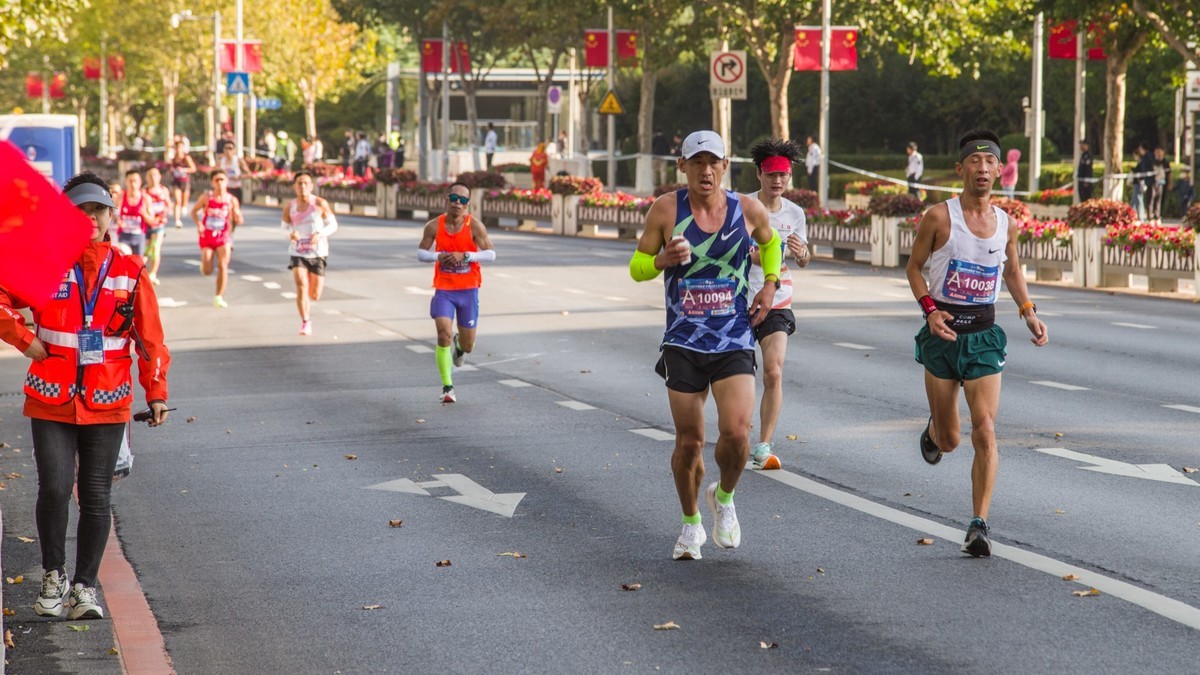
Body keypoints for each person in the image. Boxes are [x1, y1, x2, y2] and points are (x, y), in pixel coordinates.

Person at [0, 171, 171, 621]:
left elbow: (151, 341)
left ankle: (83, 587)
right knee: (55, 489)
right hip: (51, 397)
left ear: (112, 216)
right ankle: (53, 576)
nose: (91, 219)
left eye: (98, 210)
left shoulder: (130, 270)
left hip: (108, 399)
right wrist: (23, 338)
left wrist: (156, 393)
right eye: (81, 211)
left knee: (95, 497)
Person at [629, 130, 780, 561]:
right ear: (683, 167)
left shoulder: (746, 209)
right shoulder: (666, 209)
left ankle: (725, 497)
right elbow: (637, 267)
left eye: (714, 162)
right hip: (683, 339)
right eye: (697, 162)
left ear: (724, 166)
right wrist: (661, 260)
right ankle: (691, 524)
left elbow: (773, 246)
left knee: (736, 435)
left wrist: (768, 286)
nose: (706, 170)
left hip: (732, 335)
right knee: (690, 441)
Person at [905, 130, 1048, 558]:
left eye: (991, 162)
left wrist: (1028, 310)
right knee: (950, 440)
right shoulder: (938, 217)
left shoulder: (1006, 222)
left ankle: (979, 524)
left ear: (999, 170)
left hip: (984, 335)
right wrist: (930, 310)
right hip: (943, 333)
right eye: (975, 161)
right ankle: (933, 432)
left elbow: (1012, 272)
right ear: (961, 168)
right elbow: (914, 268)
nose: (983, 169)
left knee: (985, 428)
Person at [745, 138, 811, 471]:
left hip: (778, 300)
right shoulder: (742, 208)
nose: (778, 181)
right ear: (759, 173)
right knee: (738, 374)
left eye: (783, 175)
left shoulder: (795, 214)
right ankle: (736, 431)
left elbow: (803, 259)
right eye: (771, 174)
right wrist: (760, 255)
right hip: (739, 300)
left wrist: (801, 254)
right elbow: (739, 254)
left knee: (773, 371)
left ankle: (764, 444)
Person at [417, 181, 497, 403]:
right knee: (442, 334)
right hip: (444, 288)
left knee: (468, 345)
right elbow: (421, 253)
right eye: (454, 199)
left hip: (468, 291)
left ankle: (460, 345)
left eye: (463, 201)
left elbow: (491, 254)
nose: (458, 204)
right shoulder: (434, 226)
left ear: (468, 205)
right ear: (447, 198)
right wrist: (437, 256)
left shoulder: (475, 226)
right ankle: (447, 387)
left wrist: (467, 255)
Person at [281, 172, 338, 335]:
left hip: (318, 252)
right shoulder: (289, 207)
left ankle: (308, 310)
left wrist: (319, 234)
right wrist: (290, 234)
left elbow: (333, 225)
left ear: (312, 186)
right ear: (294, 186)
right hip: (298, 251)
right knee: (301, 285)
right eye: (299, 183)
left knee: (315, 294)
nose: (302, 186)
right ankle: (305, 321)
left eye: (306, 183)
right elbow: (284, 228)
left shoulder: (320, 204)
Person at [191, 170, 244, 308]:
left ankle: (219, 296)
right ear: (212, 182)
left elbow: (239, 218)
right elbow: (193, 211)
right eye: (217, 180)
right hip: (207, 236)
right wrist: (199, 224)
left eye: (222, 179)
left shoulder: (231, 200)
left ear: (227, 182)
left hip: (223, 236)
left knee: (223, 266)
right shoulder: (206, 197)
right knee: (208, 271)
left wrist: (238, 216)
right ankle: (205, 266)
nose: (220, 183)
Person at [143, 166, 172, 285]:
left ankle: (153, 273)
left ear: (160, 177)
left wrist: (164, 214)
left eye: (155, 175)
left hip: (159, 224)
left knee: (155, 248)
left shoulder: (163, 190)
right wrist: (148, 217)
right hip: (146, 224)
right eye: (150, 175)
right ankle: (140, 271)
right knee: (145, 250)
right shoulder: (144, 191)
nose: (153, 178)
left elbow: (169, 205)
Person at [116, 170, 154, 257]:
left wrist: (145, 214)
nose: (133, 184)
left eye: (135, 181)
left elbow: (152, 220)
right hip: (124, 235)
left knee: (137, 265)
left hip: (139, 235)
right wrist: (117, 220)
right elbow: (111, 213)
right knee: (123, 261)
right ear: (126, 182)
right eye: (130, 181)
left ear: (140, 182)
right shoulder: (120, 197)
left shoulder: (145, 198)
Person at [168, 141, 196, 229]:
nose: (178, 149)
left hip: (185, 181)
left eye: (180, 147)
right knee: (177, 200)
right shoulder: (173, 159)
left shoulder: (186, 158)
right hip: (176, 181)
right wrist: (172, 170)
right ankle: (177, 220)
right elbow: (171, 169)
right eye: (177, 147)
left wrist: (184, 170)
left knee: (184, 200)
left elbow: (193, 169)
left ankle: (184, 206)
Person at [217, 142, 251, 206]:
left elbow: (249, 174)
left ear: (234, 150)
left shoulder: (238, 160)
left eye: (230, 148)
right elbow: (215, 173)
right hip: (224, 189)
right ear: (223, 150)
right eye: (226, 148)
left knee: (235, 211)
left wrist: (239, 177)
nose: (228, 150)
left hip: (236, 189)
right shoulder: (221, 160)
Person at [1147, 146, 1169, 224]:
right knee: (1151, 199)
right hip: (1152, 182)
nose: (1159, 155)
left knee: (1159, 200)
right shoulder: (1151, 161)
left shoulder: (1165, 162)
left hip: (1161, 182)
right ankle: (1150, 216)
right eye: (1157, 153)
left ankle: (1157, 215)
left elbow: (1168, 172)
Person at [1131, 143, 1149, 220]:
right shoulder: (1141, 162)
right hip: (1137, 183)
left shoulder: (1142, 162)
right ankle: (1132, 214)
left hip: (1139, 183)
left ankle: (1141, 216)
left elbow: (1140, 172)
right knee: (1134, 200)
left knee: (1139, 199)